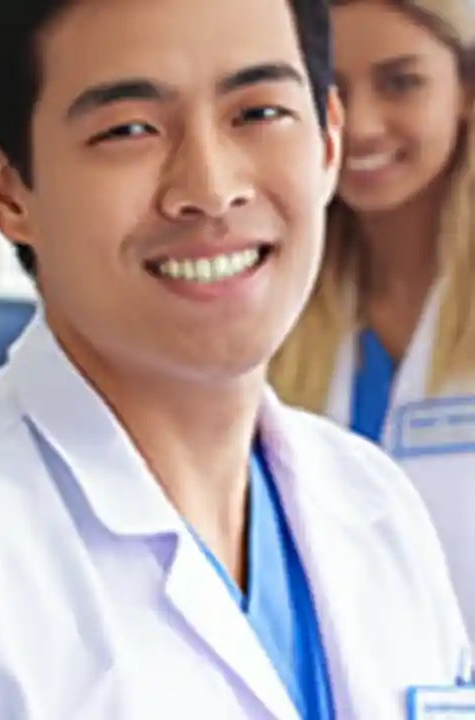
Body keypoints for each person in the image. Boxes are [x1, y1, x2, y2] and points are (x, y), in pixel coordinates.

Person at [0, 0, 475, 717]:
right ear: (5, 190)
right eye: (129, 129)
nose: (209, 188)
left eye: (259, 113)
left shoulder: (378, 511)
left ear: (328, 141)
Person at [271, 0, 475, 636]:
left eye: (401, 83)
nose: (357, 125)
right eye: (327, 88)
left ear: (467, 89)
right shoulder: (270, 313)